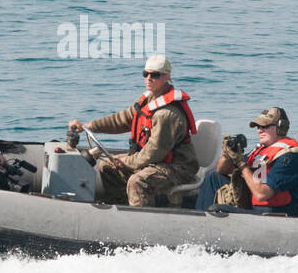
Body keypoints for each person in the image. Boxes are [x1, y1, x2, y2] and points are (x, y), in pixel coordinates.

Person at [67, 55, 199, 206]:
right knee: (107, 168)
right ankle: (119, 207)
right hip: (155, 160)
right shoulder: (148, 100)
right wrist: (90, 126)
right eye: (145, 74)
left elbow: (153, 153)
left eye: (154, 75)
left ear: (166, 77)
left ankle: (141, 220)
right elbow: (122, 119)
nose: (149, 78)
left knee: (138, 182)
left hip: (178, 167)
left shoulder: (167, 115)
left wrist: (127, 161)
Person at [195, 107, 298, 216]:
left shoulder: (291, 158)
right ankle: (199, 221)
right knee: (213, 177)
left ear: (281, 127)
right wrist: (228, 154)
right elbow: (221, 170)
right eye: (258, 127)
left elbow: (262, 194)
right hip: (254, 207)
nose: (260, 130)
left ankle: (205, 227)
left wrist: (241, 164)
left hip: (276, 214)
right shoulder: (261, 152)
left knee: (219, 209)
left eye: (265, 126)